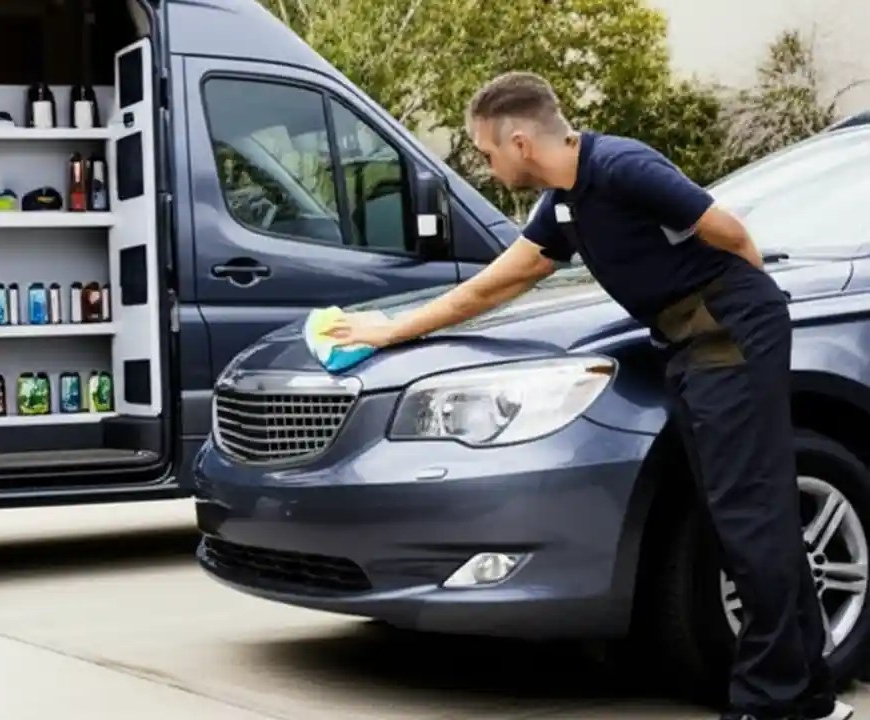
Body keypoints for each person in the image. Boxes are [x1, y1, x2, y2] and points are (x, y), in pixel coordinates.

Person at [325, 71, 852, 720]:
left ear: (520, 143)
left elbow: (732, 235)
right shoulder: (563, 203)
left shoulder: (623, 167)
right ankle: (810, 696)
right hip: (690, 343)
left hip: (727, 334)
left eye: (487, 153)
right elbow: (493, 286)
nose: (488, 167)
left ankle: (773, 703)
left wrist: (740, 322)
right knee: (743, 512)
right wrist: (391, 329)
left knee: (748, 512)